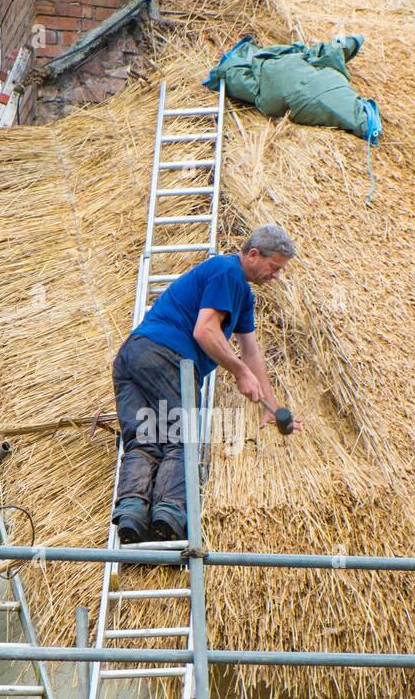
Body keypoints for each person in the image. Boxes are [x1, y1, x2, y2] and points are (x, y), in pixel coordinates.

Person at [110, 224, 302, 544]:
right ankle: (168, 514)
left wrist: (272, 406)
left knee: (144, 439)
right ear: (253, 255)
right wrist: (239, 372)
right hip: (166, 357)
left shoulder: (241, 295)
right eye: (275, 267)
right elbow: (205, 331)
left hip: (133, 357)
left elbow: (251, 350)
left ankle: (131, 512)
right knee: (181, 439)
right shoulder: (226, 271)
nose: (277, 276)